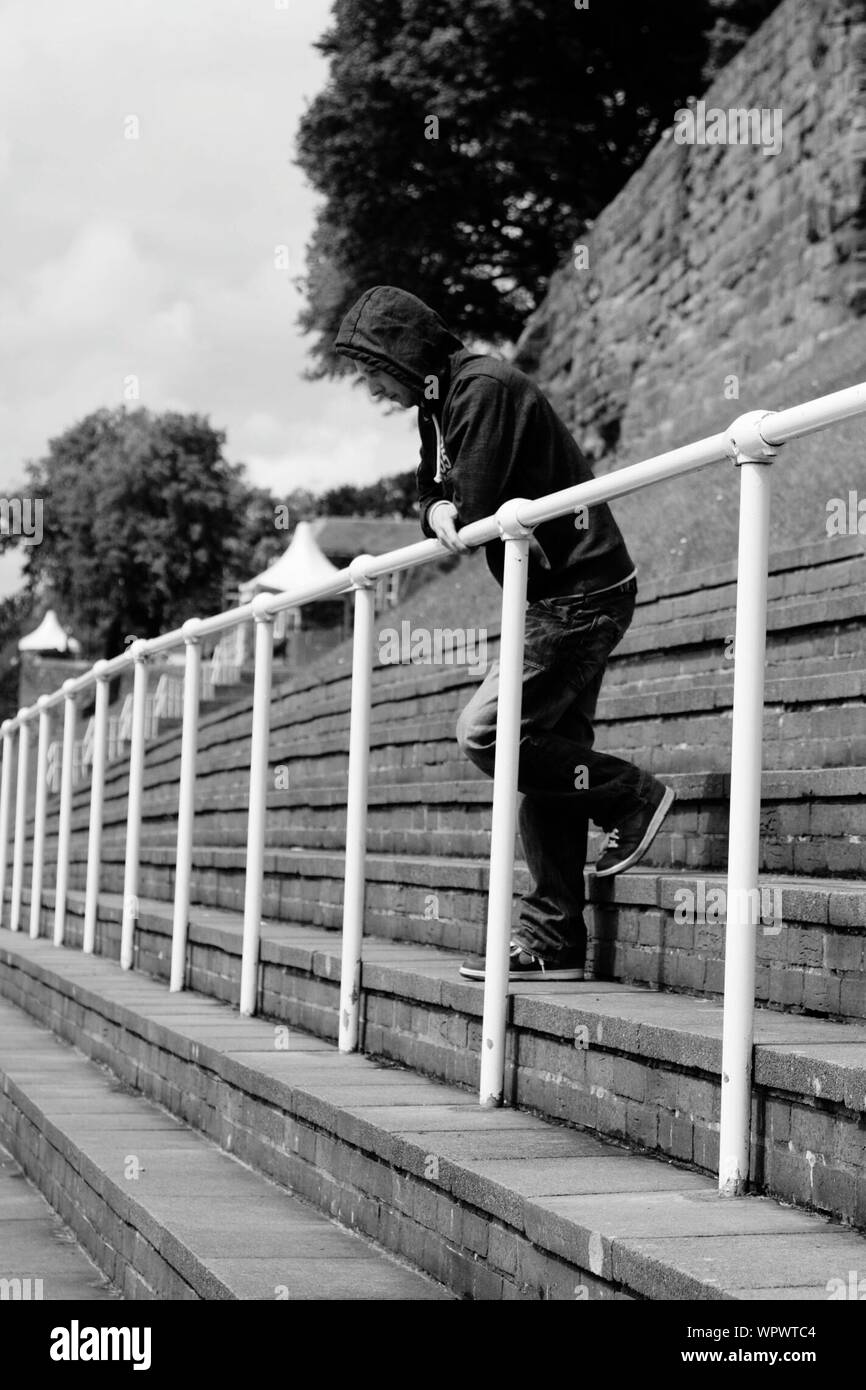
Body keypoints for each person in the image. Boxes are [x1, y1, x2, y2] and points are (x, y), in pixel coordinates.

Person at [334, 285, 674, 982]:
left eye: (372, 369)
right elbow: (432, 498)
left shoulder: (482, 387)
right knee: (545, 760)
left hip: (579, 596)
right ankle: (553, 938)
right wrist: (435, 510)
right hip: (557, 596)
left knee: (487, 732)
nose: (369, 387)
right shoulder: (437, 402)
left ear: (404, 354)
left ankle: (631, 795)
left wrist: (444, 511)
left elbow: (472, 505)